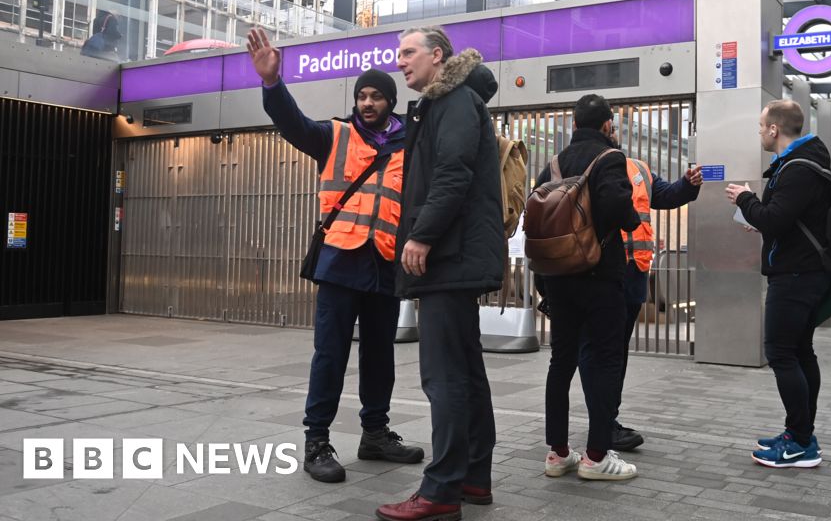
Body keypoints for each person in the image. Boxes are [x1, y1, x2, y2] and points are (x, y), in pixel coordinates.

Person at [245, 27, 424, 485]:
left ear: (390, 101)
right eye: (362, 96)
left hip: (385, 261)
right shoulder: (334, 136)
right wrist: (271, 83)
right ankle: (317, 441)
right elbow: (293, 124)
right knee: (330, 354)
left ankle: (375, 433)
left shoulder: (411, 145)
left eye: (376, 97)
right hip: (340, 261)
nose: (367, 103)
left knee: (381, 355)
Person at [376, 26, 504, 521]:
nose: (400, 62)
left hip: (448, 258)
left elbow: (453, 173)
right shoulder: (449, 102)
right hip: (457, 257)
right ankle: (473, 477)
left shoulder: (451, 102)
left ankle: (442, 488)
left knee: (444, 376)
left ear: (437, 55)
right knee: (467, 373)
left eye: (408, 53)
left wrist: (422, 234)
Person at [534, 94, 642, 481]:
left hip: (559, 278)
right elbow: (617, 208)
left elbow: (540, 221)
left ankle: (558, 453)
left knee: (561, 361)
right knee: (604, 360)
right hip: (599, 276)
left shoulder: (553, 164)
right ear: (607, 126)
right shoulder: (609, 158)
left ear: (574, 124)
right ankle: (596, 456)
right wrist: (630, 217)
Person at [725, 99, 831, 469]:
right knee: (801, 353)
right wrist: (763, 216)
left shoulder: (798, 169)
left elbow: (774, 219)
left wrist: (745, 198)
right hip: (805, 271)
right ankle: (799, 434)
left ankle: (801, 442)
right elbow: (784, 221)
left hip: (796, 277)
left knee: (782, 354)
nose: (758, 131)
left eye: (761, 125)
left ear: (774, 129)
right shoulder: (805, 163)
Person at [612, 160, 703, 452]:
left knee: (615, 353)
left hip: (631, 274)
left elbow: (668, 194)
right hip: (596, 274)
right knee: (591, 354)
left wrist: (688, 182)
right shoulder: (583, 164)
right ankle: (588, 429)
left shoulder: (638, 169)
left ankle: (605, 421)